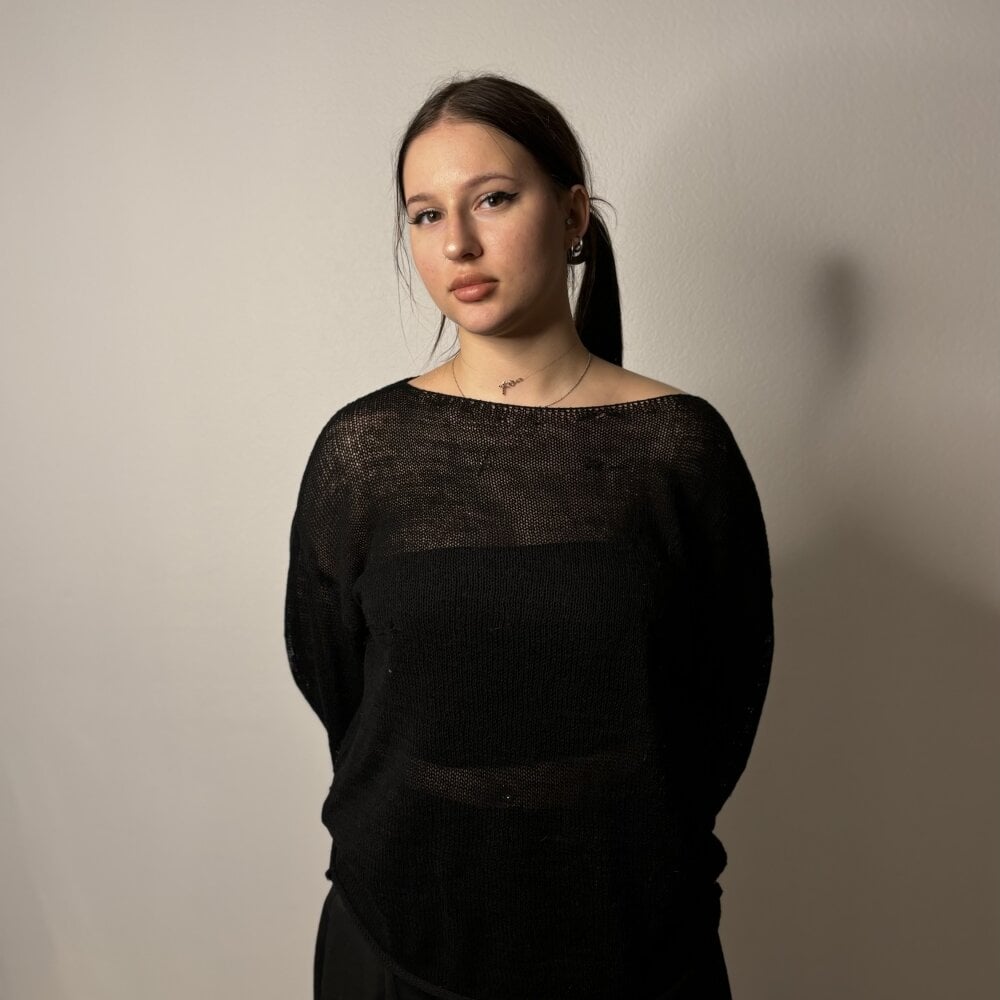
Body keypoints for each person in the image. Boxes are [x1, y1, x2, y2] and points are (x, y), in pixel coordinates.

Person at [285, 73, 774, 1000]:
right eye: (425, 215)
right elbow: (338, 683)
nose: (457, 244)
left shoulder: (679, 448)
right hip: (396, 941)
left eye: (493, 199)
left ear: (574, 213)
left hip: (634, 946)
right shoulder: (364, 452)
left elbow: (723, 698)